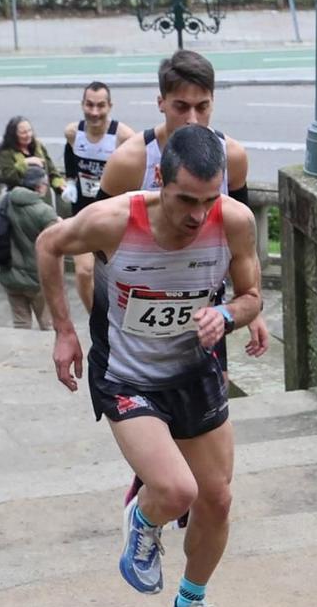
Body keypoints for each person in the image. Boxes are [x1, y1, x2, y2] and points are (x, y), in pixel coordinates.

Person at [35, 124, 263, 607]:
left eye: (208, 200)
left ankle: (189, 603)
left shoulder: (233, 222)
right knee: (177, 489)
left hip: (192, 372)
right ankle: (144, 520)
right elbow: (48, 244)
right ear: (160, 178)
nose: (196, 215)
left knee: (218, 499)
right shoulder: (114, 220)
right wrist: (64, 333)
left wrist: (226, 316)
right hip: (127, 375)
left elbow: (252, 297)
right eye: (185, 200)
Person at [88, 49, 266, 523]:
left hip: (201, 303)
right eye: (180, 106)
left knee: (208, 392)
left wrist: (250, 308)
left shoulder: (231, 158)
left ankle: (168, 484)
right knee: (148, 393)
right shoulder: (129, 162)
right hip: (133, 307)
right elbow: (92, 239)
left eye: (202, 106)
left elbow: (239, 238)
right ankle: (155, 480)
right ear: (160, 102)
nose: (193, 117)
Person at [0, 163, 58, 329]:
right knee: (48, 324)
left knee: (20, 322)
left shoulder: (4, 202)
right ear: (39, 186)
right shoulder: (45, 212)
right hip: (37, 278)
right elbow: (55, 246)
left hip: (10, 274)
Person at [65, 82, 122, 215]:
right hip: (81, 207)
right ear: (82, 105)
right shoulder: (72, 133)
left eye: (101, 106)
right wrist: (70, 182)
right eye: (90, 105)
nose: (94, 112)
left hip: (110, 209)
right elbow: (69, 157)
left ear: (109, 106)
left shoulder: (123, 136)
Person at [0, 116, 67, 200]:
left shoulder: (38, 146)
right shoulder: (6, 152)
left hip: (43, 196)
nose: (28, 135)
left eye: (30, 131)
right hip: (20, 198)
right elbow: (9, 177)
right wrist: (25, 162)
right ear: (14, 135)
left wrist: (59, 184)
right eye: (23, 132)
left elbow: (51, 171)